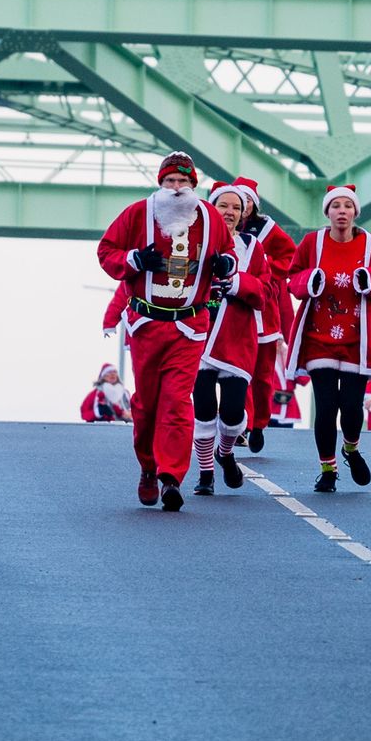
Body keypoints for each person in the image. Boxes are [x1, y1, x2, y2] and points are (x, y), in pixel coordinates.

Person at [96, 151, 237, 511]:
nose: (176, 189)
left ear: (194, 186)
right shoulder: (137, 214)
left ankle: (171, 476)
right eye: (170, 182)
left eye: (184, 182)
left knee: (176, 402)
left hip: (189, 326)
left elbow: (228, 253)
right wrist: (133, 261)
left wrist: (224, 264)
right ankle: (147, 467)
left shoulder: (208, 217)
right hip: (146, 326)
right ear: (160, 184)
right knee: (146, 405)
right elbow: (106, 250)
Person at [288, 184, 371, 492]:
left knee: (351, 407)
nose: (342, 211)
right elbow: (293, 279)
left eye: (348, 206)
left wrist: (368, 280)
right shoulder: (312, 243)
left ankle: (351, 447)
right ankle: (328, 469)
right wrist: (312, 280)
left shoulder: (370, 245)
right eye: (336, 206)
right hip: (319, 337)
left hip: (356, 340)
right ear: (327, 212)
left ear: (355, 212)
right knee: (326, 405)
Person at [195, 181, 272, 494]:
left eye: (236, 207)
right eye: (223, 205)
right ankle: (205, 475)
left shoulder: (252, 247)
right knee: (202, 411)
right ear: (211, 207)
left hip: (237, 339)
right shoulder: (195, 240)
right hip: (198, 336)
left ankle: (225, 453)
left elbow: (265, 292)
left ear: (244, 214)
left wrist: (237, 282)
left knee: (231, 413)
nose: (229, 211)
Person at [225, 178, 294, 453]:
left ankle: (259, 424)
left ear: (253, 205)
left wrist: (267, 272)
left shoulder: (267, 230)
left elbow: (290, 255)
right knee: (236, 371)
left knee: (262, 375)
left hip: (263, 310)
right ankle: (242, 424)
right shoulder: (220, 227)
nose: (242, 206)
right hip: (231, 312)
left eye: (248, 200)